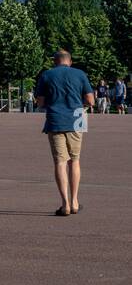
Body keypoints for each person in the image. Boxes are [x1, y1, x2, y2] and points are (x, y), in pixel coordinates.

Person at [33, 49, 95, 216]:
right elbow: (90, 100)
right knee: (74, 160)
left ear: (55, 62)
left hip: (55, 119)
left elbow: (40, 102)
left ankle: (65, 204)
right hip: (77, 119)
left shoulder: (47, 75)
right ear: (70, 61)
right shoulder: (80, 74)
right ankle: (75, 201)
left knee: (60, 162)